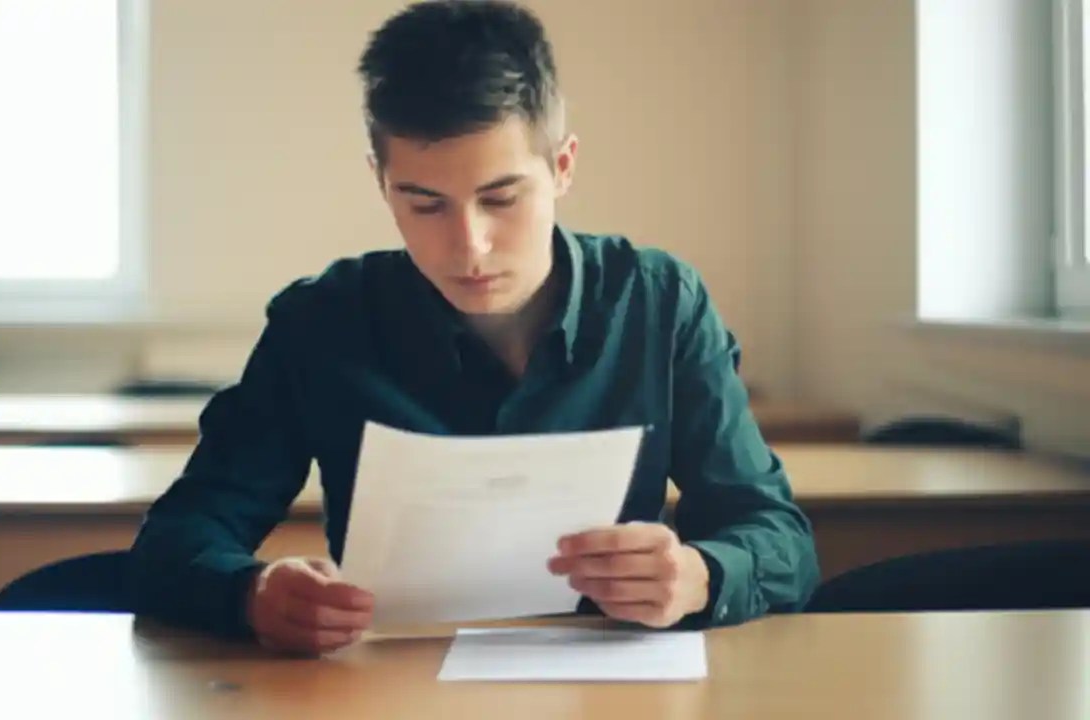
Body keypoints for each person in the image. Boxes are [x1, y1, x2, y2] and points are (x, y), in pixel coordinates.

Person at [129, 0, 819, 655]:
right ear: (381, 182)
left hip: (613, 687)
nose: (470, 248)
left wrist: (700, 573)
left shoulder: (659, 304)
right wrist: (250, 594)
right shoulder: (321, 324)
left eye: (501, 198)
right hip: (386, 688)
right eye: (425, 204)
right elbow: (178, 538)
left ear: (563, 167)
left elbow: (779, 536)